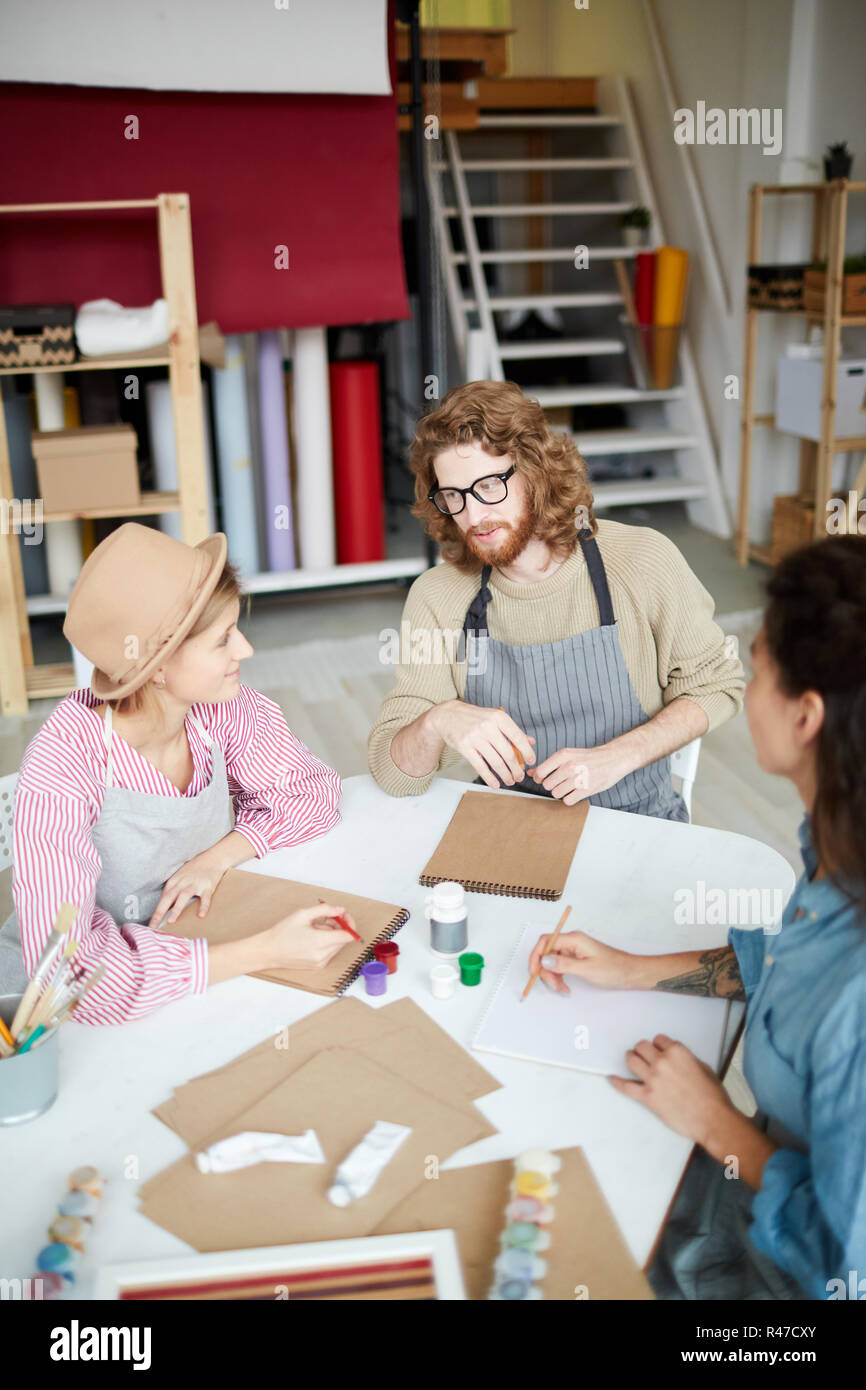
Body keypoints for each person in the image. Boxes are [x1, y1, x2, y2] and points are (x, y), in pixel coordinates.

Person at [529, 535, 866, 1300]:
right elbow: (788, 956)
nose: (744, 685)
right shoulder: (836, 841)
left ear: (807, 716)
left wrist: (714, 1121)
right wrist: (631, 968)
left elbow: (846, 1268)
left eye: (760, 663)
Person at [0, 523, 356, 1024]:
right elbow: (74, 974)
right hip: (54, 1021)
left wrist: (218, 857)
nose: (245, 651)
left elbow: (311, 792)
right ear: (159, 664)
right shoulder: (63, 763)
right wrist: (266, 951)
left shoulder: (219, 709)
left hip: (191, 958)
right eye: (223, 640)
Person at [368, 381, 744, 820]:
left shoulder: (643, 561)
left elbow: (716, 684)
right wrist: (439, 719)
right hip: (509, 824)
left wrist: (619, 756)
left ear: (535, 473)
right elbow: (391, 773)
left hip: (639, 821)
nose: (473, 516)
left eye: (490, 485)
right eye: (453, 496)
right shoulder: (438, 596)